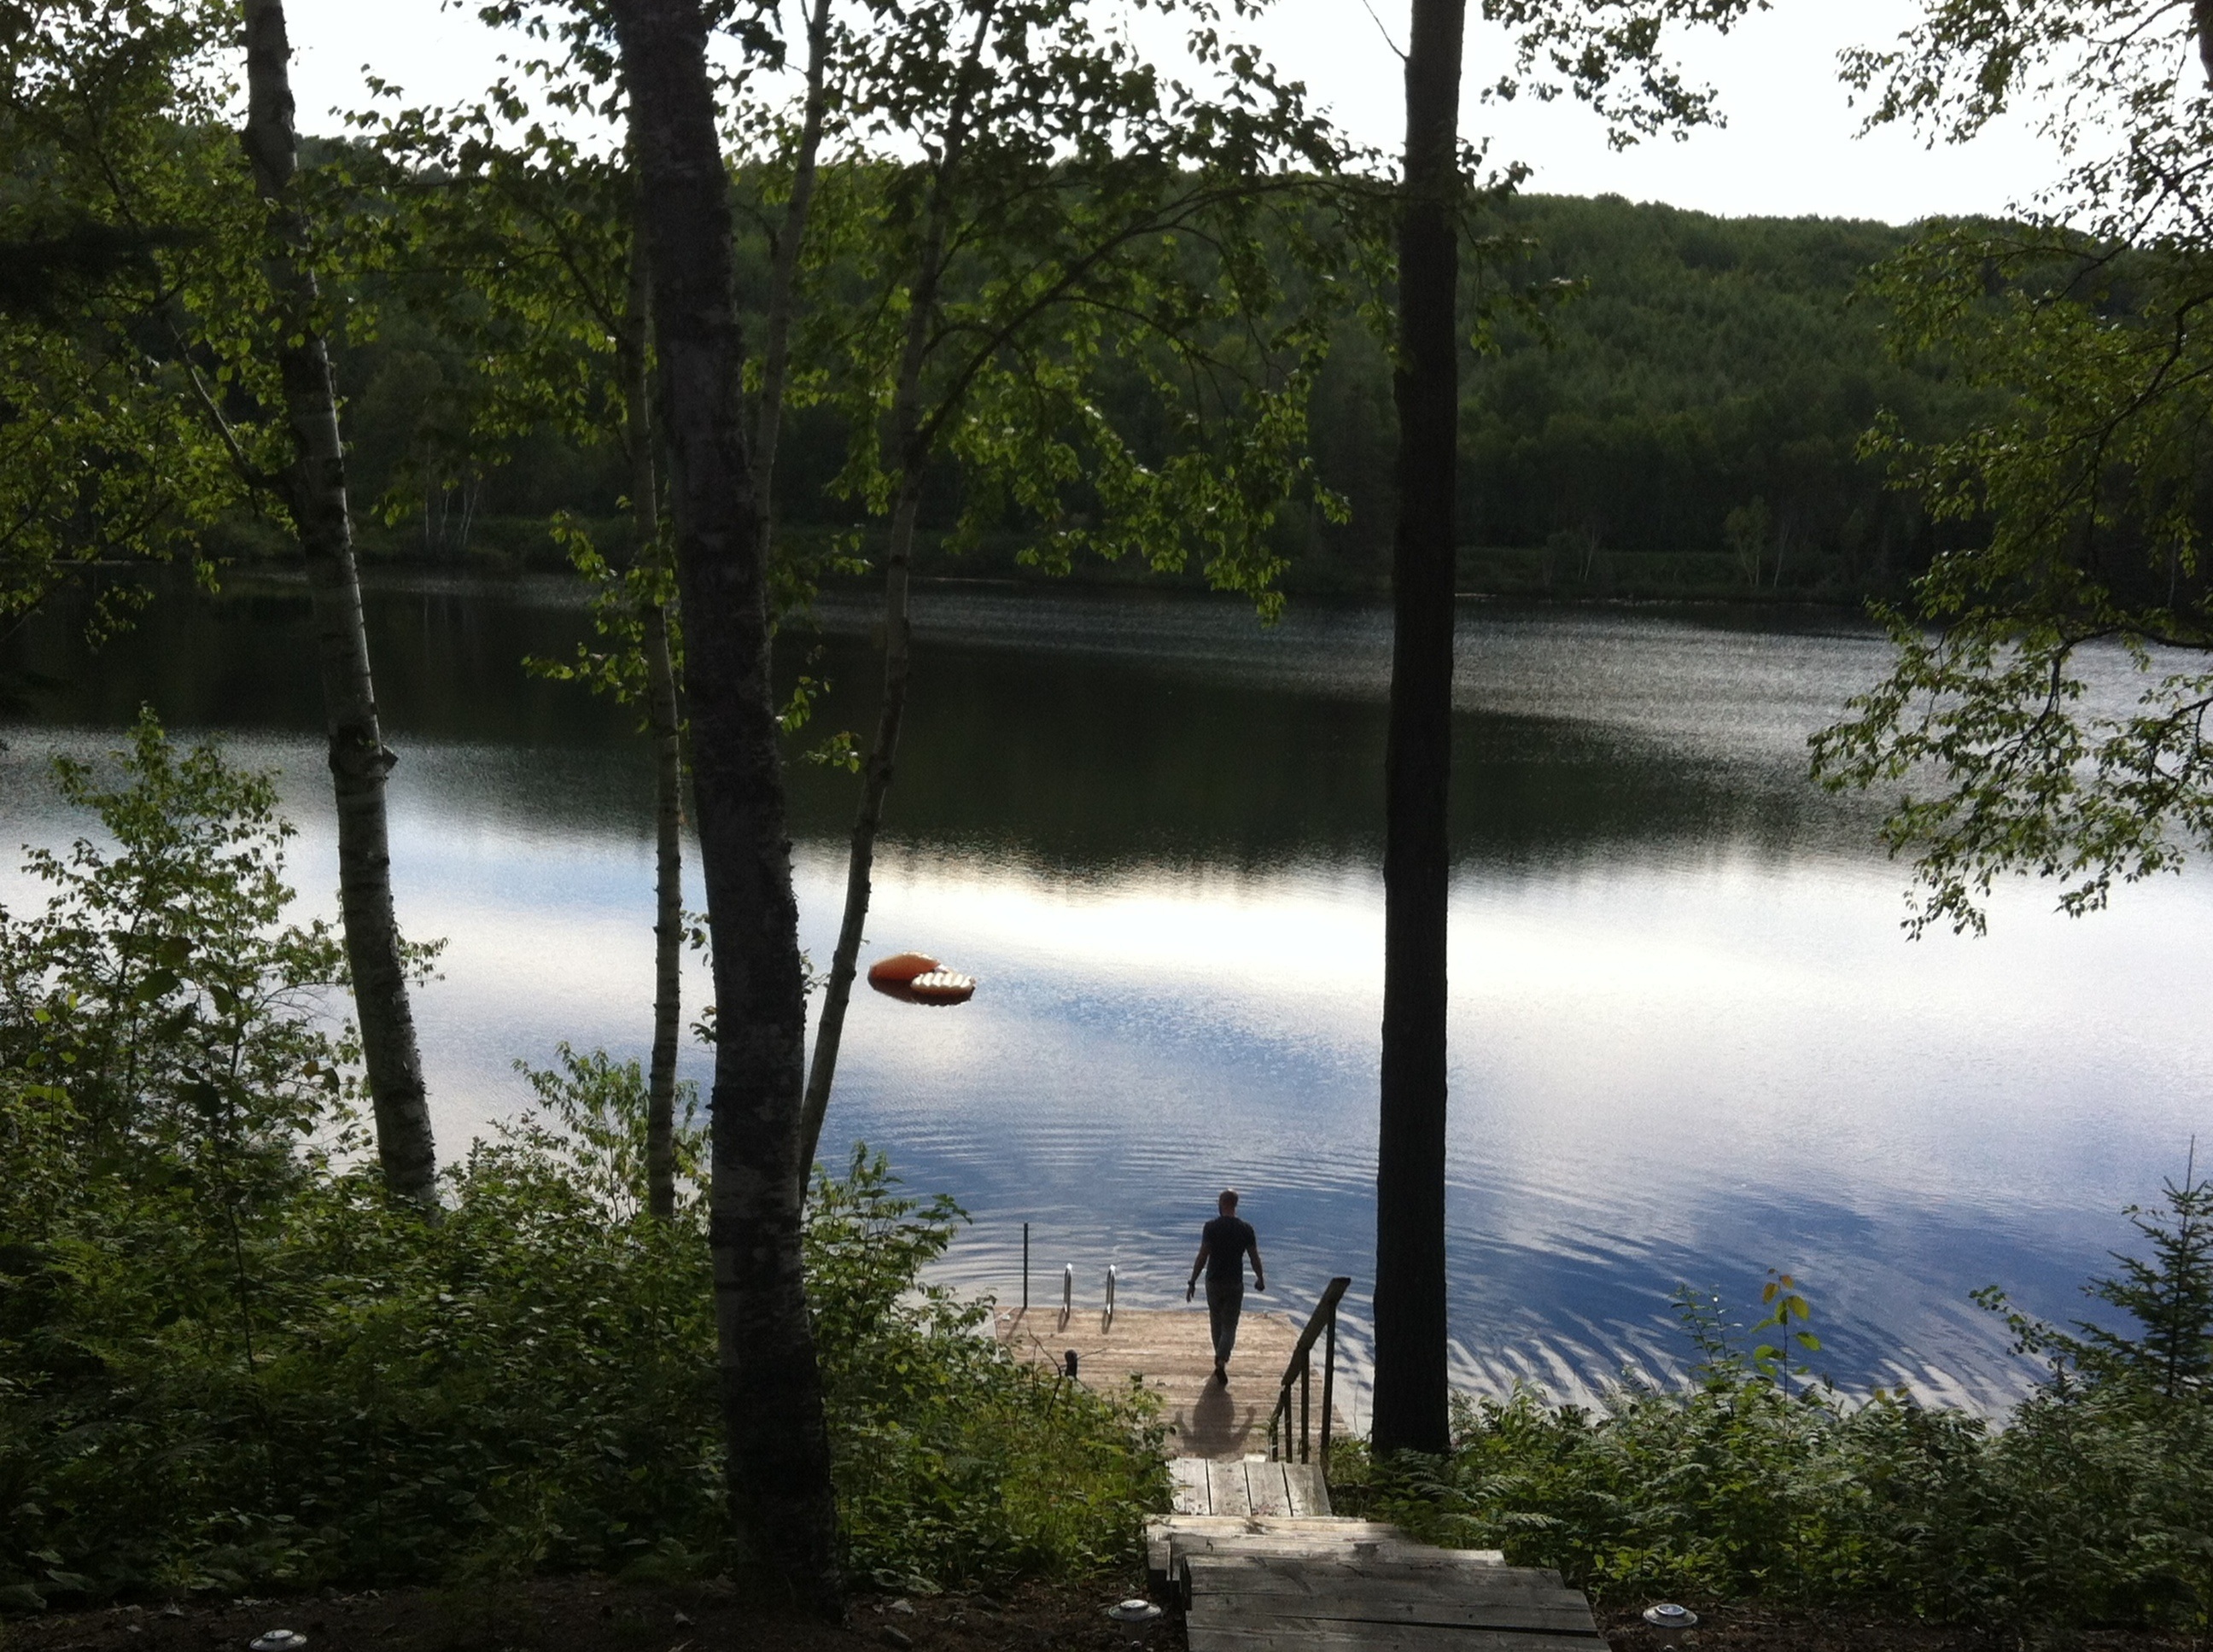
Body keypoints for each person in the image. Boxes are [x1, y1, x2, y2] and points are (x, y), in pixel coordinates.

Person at [1186, 1188, 1264, 1386]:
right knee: (1230, 1326)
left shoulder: (1211, 1227)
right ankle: (1221, 1360)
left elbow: (1202, 1256)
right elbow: (1254, 1257)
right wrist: (1260, 1278)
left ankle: (1219, 1359)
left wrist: (1193, 1281)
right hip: (1234, 1283)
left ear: (1222, 1204)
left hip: (1213, 1282)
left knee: (1216, 1322)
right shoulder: (1246, 1229)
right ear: (1235, 1205)